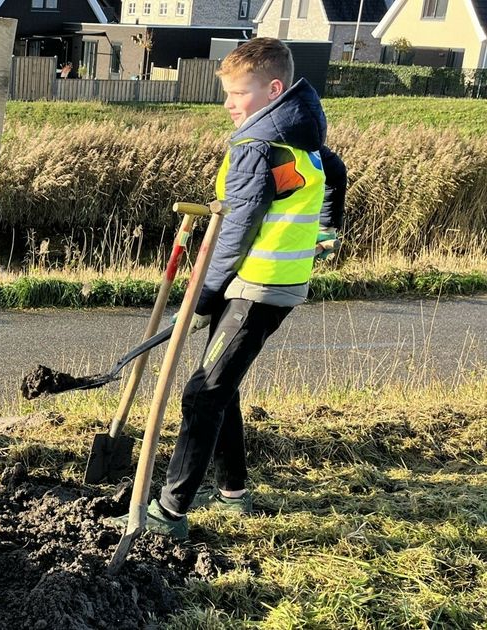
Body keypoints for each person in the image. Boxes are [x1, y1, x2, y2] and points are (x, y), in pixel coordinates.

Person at [111, 38, 346, 538]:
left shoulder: (258, 146)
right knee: (221, 385)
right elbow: (335, 171)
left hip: (257, 287)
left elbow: (236, 231)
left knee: (202, 393)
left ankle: (169, 511)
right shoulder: (299, 133)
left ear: (273, 90)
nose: (228, 104)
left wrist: (204, 298)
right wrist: (329, 227)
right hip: (270, 283)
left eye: (239, 93)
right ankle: (232, 491)